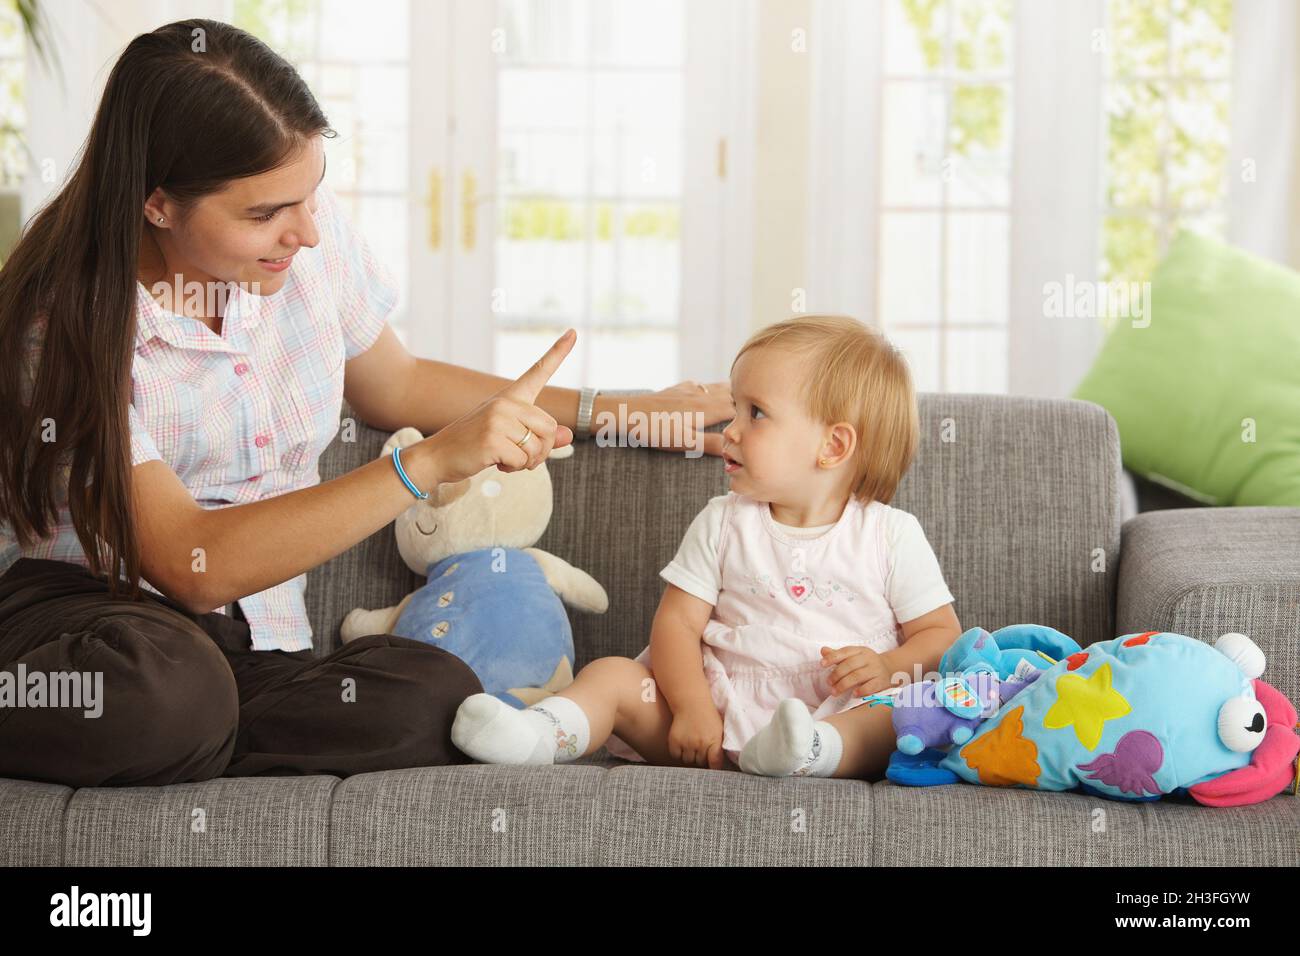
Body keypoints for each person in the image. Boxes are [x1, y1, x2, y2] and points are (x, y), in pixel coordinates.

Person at [0, 19, 730, 788]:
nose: (308, 232)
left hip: (245, 650)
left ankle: (195, 733)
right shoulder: (62, 330)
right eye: (265, 214)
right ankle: (176, 722)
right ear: (157, 205)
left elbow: (398, 382)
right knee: (164, 690)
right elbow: (195, 564)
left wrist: (618, 408)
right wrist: (424, 465)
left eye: (312, 193)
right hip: (91, 626)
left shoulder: (301, 242)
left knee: (436, 697)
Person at [451, 314, 963, 781]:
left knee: (899, 714)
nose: (731, 430)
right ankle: (537, 733)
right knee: (612, 676)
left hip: (837, 712)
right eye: (736, 409)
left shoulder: (890, 535)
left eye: (756, 413)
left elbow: (941, 636)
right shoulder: (723, 522)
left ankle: (810, 751)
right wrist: (693, 708)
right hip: (714, 723)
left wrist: (889, 665)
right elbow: (677, 625)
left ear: (832, 446)